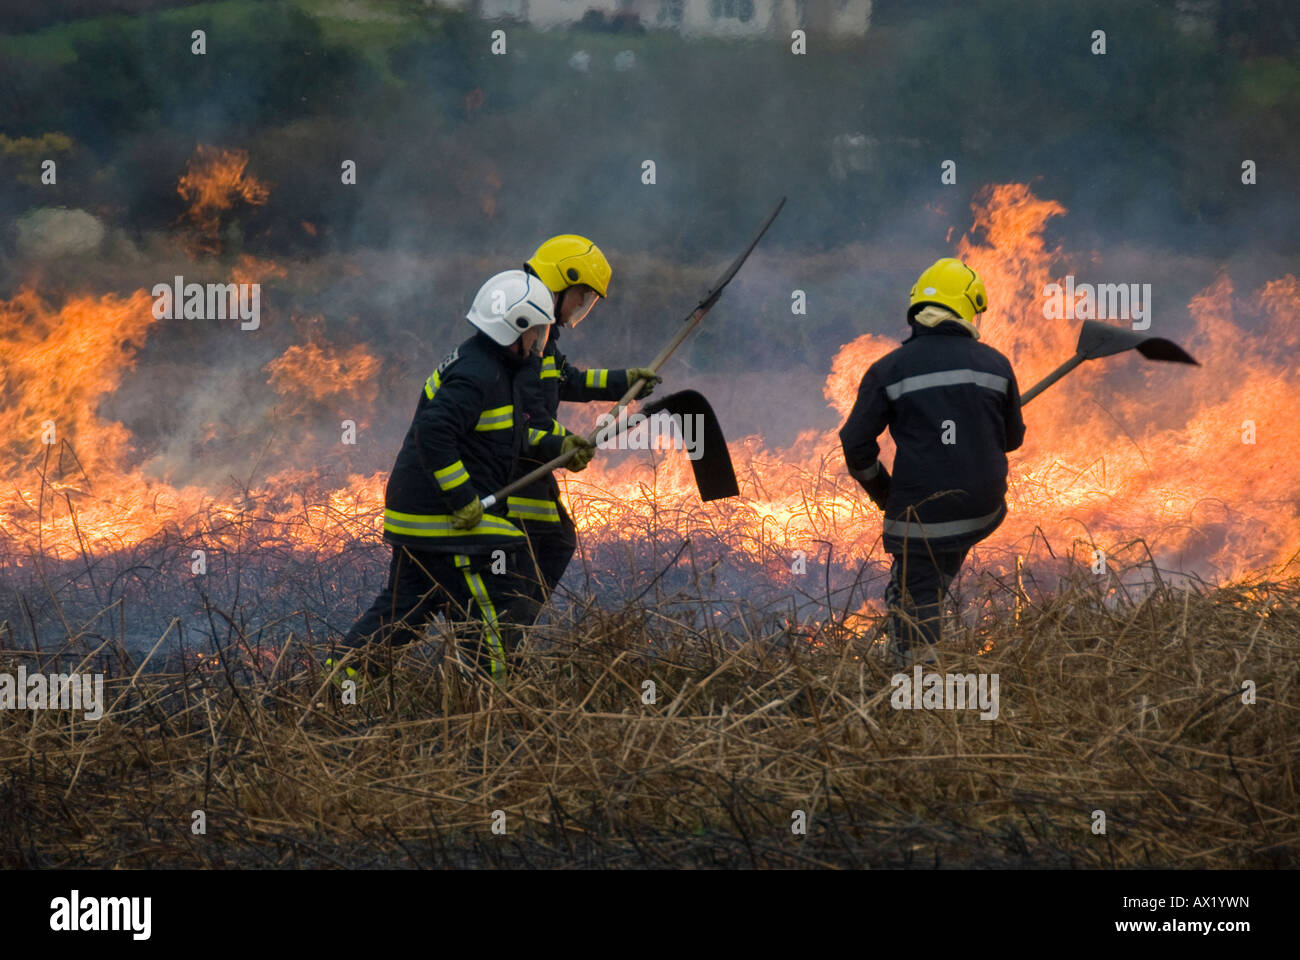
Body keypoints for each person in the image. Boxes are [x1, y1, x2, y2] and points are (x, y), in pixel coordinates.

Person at [332, 270, 595, 684]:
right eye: (537, 334)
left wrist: (560, 449)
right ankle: (491, 691)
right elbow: (433, 433)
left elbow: (516, 434)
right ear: (516, 328)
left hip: (417, 513)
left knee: (407, 607)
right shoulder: (478, 375)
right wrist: (461, 499)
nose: (539, 344)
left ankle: (337, 683)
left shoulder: (494, 365)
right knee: (503, 573)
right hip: (440, 514)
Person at [839, 258, 1026, 667]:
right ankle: (941, 593)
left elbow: (854, 443)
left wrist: (883, 492)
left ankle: (921, 683)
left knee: (912, 594)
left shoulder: (887, 370)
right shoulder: (996, 365)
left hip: (924, 516)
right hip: (984, 509)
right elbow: (1012, 440)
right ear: (964, 308)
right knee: (939, 558)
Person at [508, 235, 661, 608]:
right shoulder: (522, 329)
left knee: (556, 541)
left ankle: (513, 626)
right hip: (510, 470)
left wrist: (624, 381)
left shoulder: (544, 331)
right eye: (581, 295)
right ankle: (504, 634)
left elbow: (568, 380)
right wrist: (562, 443)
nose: (581, 305)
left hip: (530, 463)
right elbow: (525, 416)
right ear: (560, 282)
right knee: (534, 555)